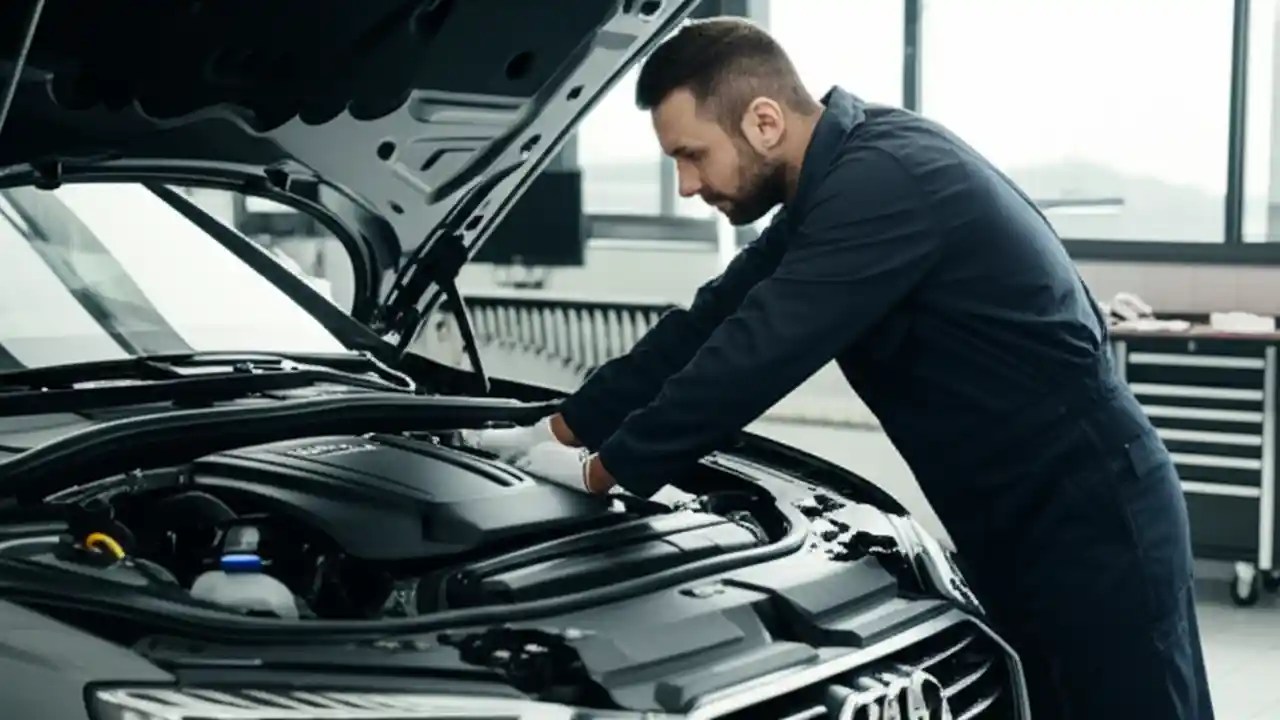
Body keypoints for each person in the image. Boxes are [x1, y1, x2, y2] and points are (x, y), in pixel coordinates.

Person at [463, 16, 1214, 720]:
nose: (688, 186)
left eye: (691, 155)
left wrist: (605, 471)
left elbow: (757, 353)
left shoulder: (886, 181)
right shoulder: (831, 189)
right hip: (1016, 521)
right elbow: (708, 324)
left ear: (763, 121)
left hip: (1094, 520)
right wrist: (556, 428)